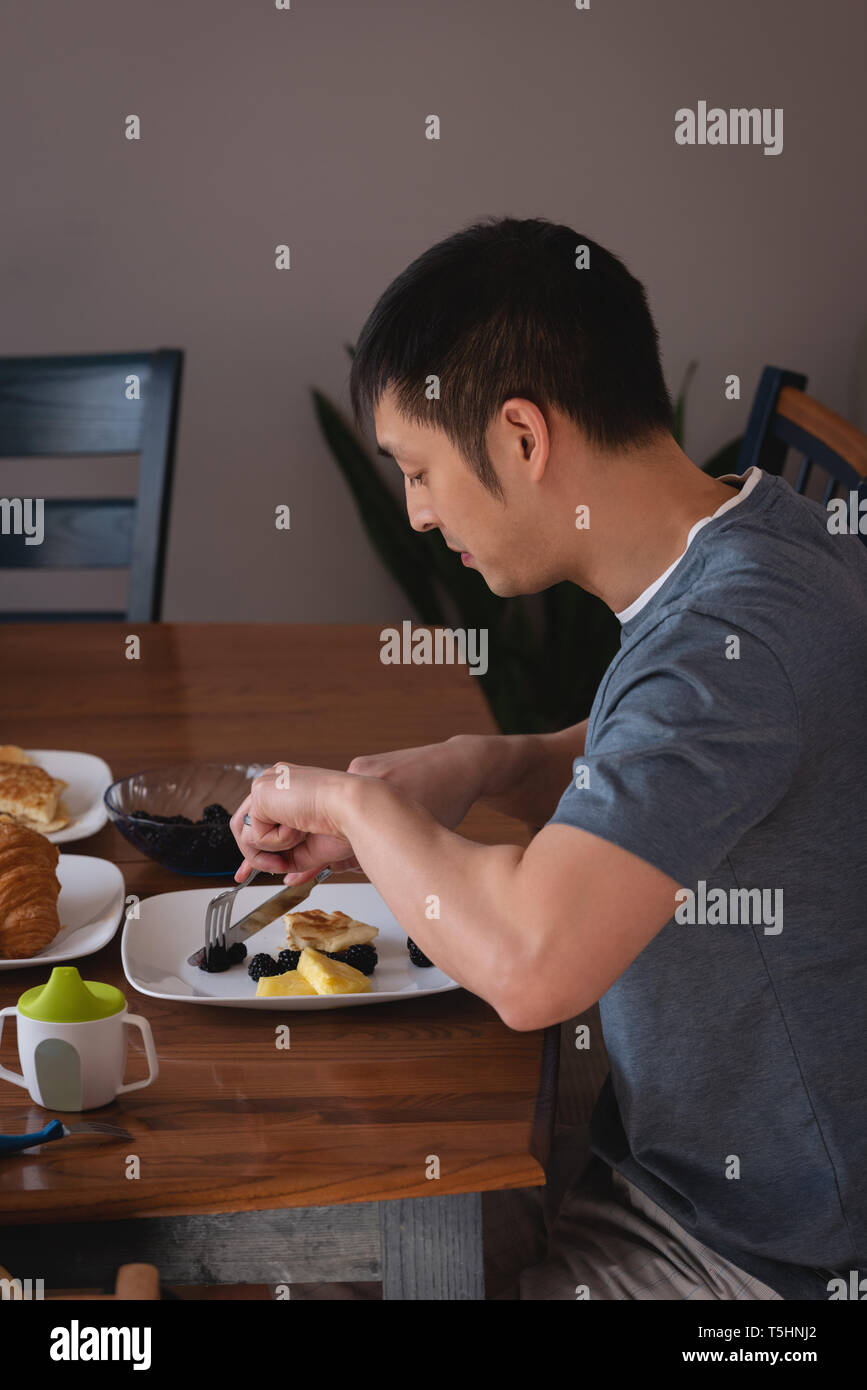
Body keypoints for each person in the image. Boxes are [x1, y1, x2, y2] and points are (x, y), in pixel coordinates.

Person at [230, 216, 867, 1301]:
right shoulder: (751, 544)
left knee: (299, 1230)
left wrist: (347, 800)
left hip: (759, 1251)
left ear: (522, 437)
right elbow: (669, 758)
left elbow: (533, 964)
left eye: (420, 469)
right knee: (312, 1225)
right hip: (659, 1150)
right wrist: (483, 761)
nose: (420, 516)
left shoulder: (738, 637)